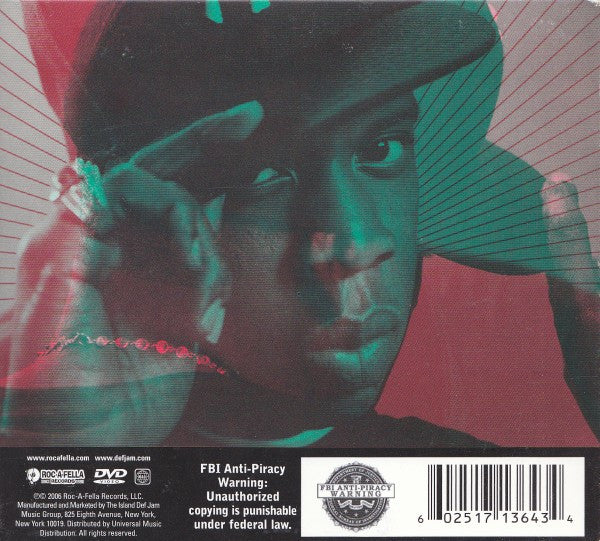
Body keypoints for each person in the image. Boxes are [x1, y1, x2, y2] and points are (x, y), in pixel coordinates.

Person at [0, 1, 597, 446]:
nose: (356, 243)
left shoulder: (469, 483)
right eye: (259, 172)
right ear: (135, 226)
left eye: (381, 148)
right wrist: (66, 460)